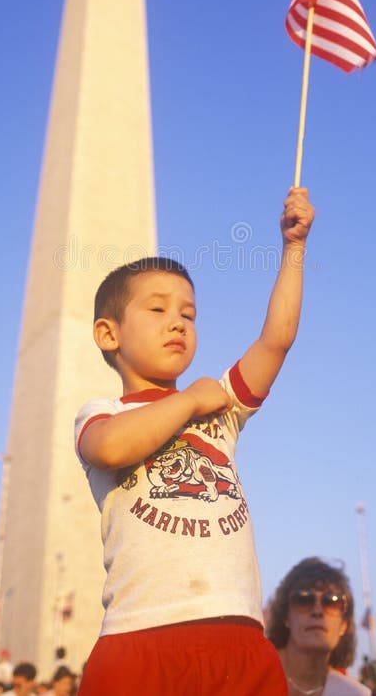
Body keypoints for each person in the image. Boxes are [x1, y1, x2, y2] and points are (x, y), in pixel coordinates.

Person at [75, 187, 315, 695]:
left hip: (240, 638)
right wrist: (187, 402)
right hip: (141, 639)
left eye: (188, 313)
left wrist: (294, 248)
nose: (178, 322)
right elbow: (111, 448)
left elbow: (277, 339)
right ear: (107, 334)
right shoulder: (103, 413)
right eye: (157, 310)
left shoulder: (220, 413)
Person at [266, 556, 369, 696]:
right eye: (303, 599)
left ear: (344, 624)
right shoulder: (252, 676)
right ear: (285, 616)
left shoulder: (356, 694)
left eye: (332, 601)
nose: (318, 610)